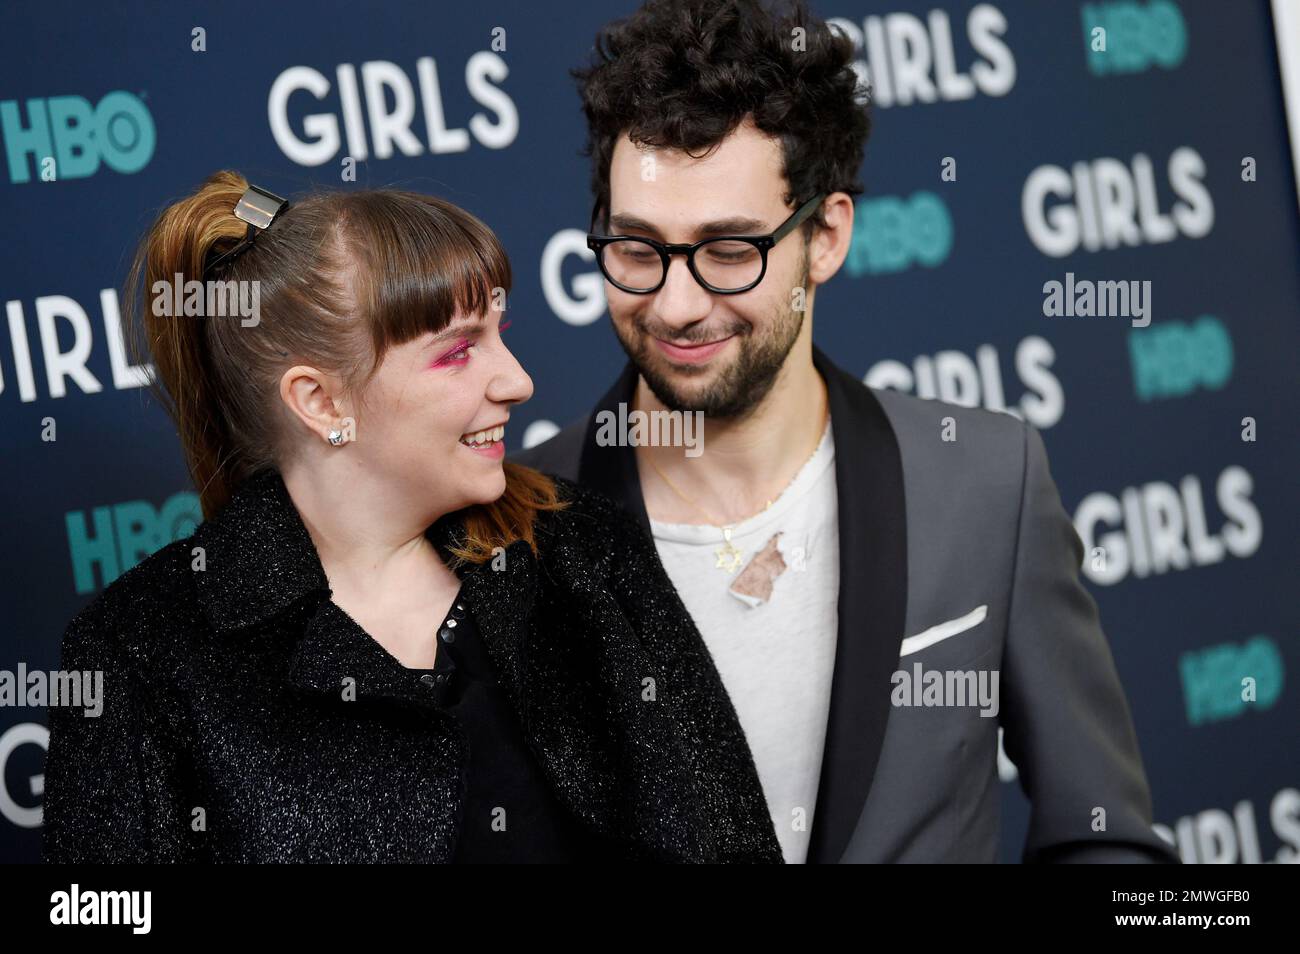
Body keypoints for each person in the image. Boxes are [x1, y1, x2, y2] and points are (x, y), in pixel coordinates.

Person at [514, 0, 1179, 864]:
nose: (675, 305)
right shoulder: (518, 527)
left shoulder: (986, 482)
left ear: (825, 236)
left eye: (727, 251)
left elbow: (1109, 843)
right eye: (638, 248)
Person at [41, 170, 783, 864]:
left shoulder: (587, 552)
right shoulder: (141, 651)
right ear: (321, 402)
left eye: (501, 332)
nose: (518, 381)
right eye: (457, 352)